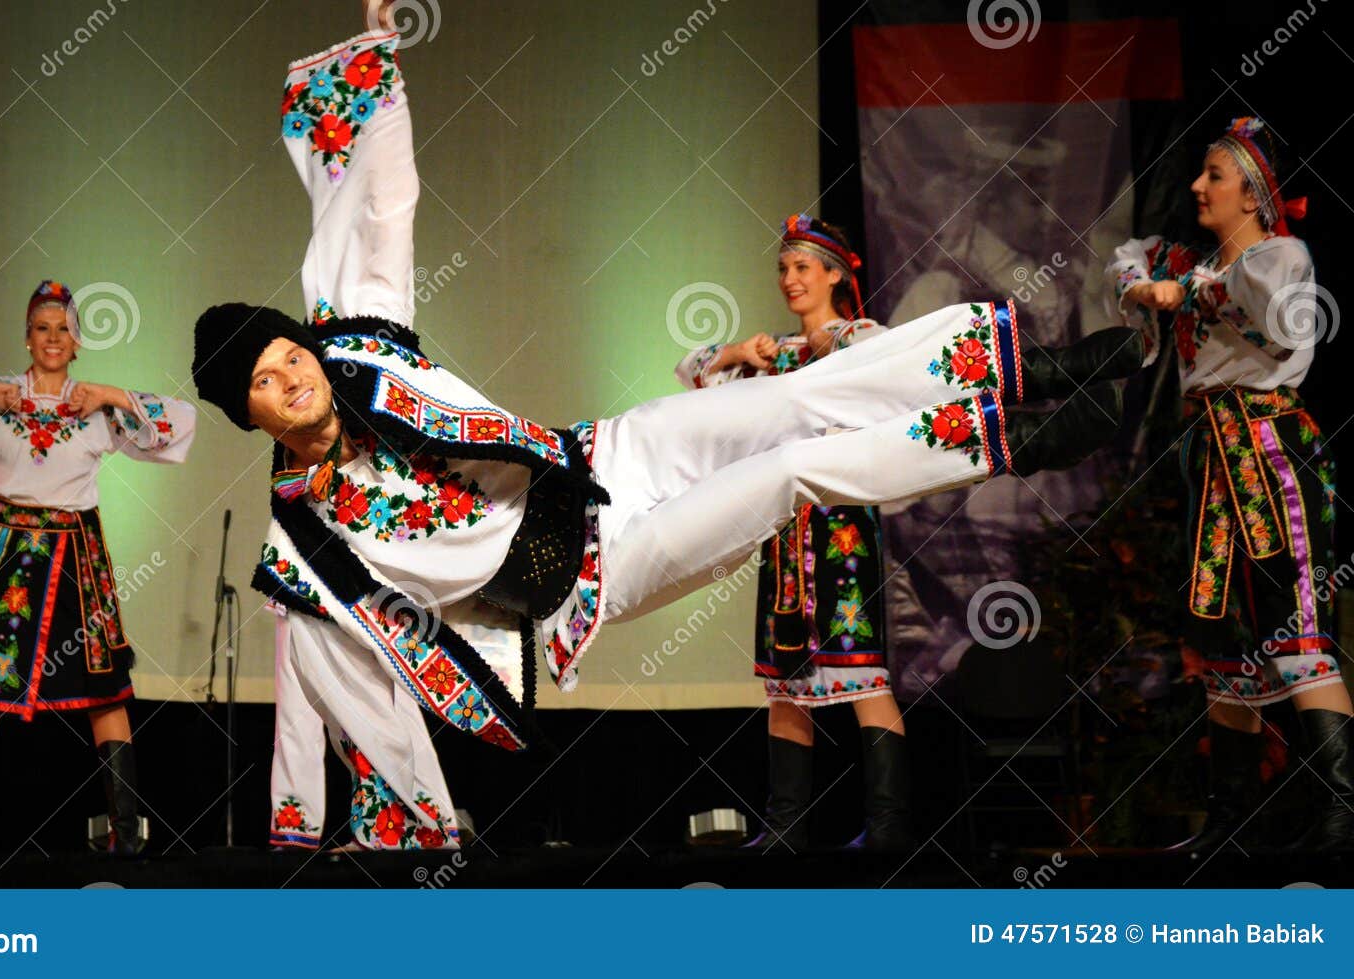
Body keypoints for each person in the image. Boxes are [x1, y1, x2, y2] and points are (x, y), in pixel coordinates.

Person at [191, 13, 1143, 850]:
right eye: (265, 383)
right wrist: (381, 824)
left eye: (289, 354)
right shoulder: (306, 539)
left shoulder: (357, 348)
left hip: (603, 454)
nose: (293, 378)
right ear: (251, 416)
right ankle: (1009, 442)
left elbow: (373, 211)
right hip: (594, 570)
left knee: (793, 401)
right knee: (792, 471)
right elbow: (341, 684)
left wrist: (373, 60)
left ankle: (1028, 370)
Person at [1106, 116, 1347, 852]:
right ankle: (1232, 817)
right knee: (1223, 631)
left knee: (1293, 616)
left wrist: (1183, 292)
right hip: (1211, 451)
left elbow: (1271, 320)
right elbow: (1128, 259)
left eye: (1214, 175)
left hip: (1270, 449)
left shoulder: (1280, 257)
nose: (1196, 186)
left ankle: (1342, 807)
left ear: (1253, 195)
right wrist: (1149, 287)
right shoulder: (1192, 262)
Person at [0, 281, 196, 855]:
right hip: (8, 554)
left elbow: (181, 421)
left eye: (64, 329)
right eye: (42, 328)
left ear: (77, 342)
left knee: (106, 691)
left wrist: (112, 394)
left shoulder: (95, 405)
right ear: (27, 337)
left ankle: (125, 839)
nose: (53, 338)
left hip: (78, 556)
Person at [675, 216, 910, 851]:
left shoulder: (861, 338)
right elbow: (692, 372)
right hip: (784, 536)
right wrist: (736, 353)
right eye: (783, 269)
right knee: (785, 684)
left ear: (834, 275)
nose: (789, 279)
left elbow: (895, 362)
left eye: (802, 268)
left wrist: (837, 343)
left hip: (842, 531)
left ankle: (888, 829)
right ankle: (785, 828)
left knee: (862, 673)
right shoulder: (774, 353)